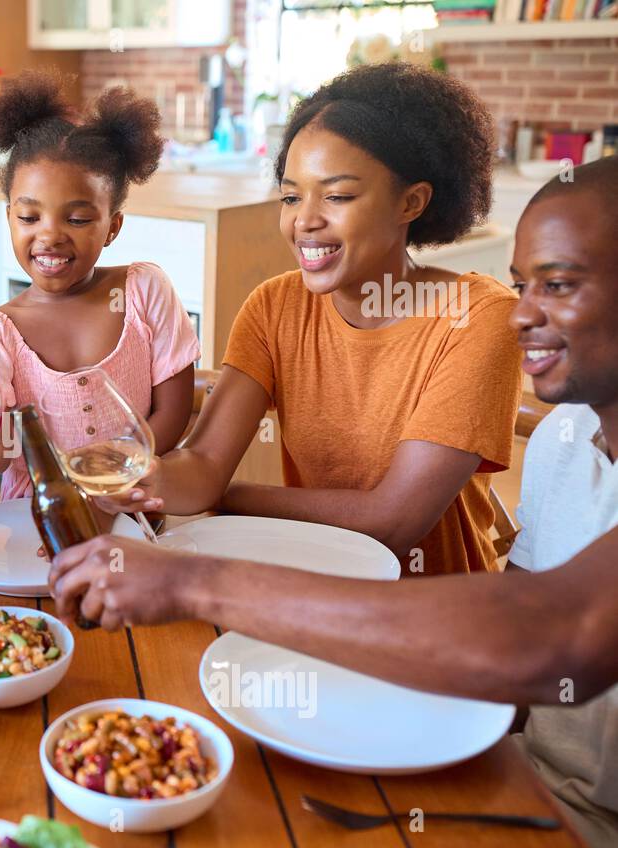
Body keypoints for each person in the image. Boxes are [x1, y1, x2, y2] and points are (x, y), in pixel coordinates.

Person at [49, 156, 618, 848]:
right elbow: (524, 621)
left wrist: (188, 581)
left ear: (413, 200)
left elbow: (550, 636)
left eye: (557, 285)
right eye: (522, 284)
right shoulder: (568, 438)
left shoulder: (473, 320)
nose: (524, 312)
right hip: (528, 783)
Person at [100, 63, 522, 575]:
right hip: (316, 590)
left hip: (438, 615)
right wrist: (135, 478)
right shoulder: (275, 307)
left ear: (411, 202)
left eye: (338, 196)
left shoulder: (478, 319)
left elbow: (392, 522)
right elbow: (204, 463)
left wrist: (228, 498)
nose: (304, 220)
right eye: (292, 196)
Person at [0, 71, 198, 498]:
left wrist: (114, 477)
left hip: (134, 513)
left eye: (77, 219)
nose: (50, 235)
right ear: (9, 218)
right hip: (35, 528)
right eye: (29, 217)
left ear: (112, 226)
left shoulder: (144, 291)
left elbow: (174, 411)